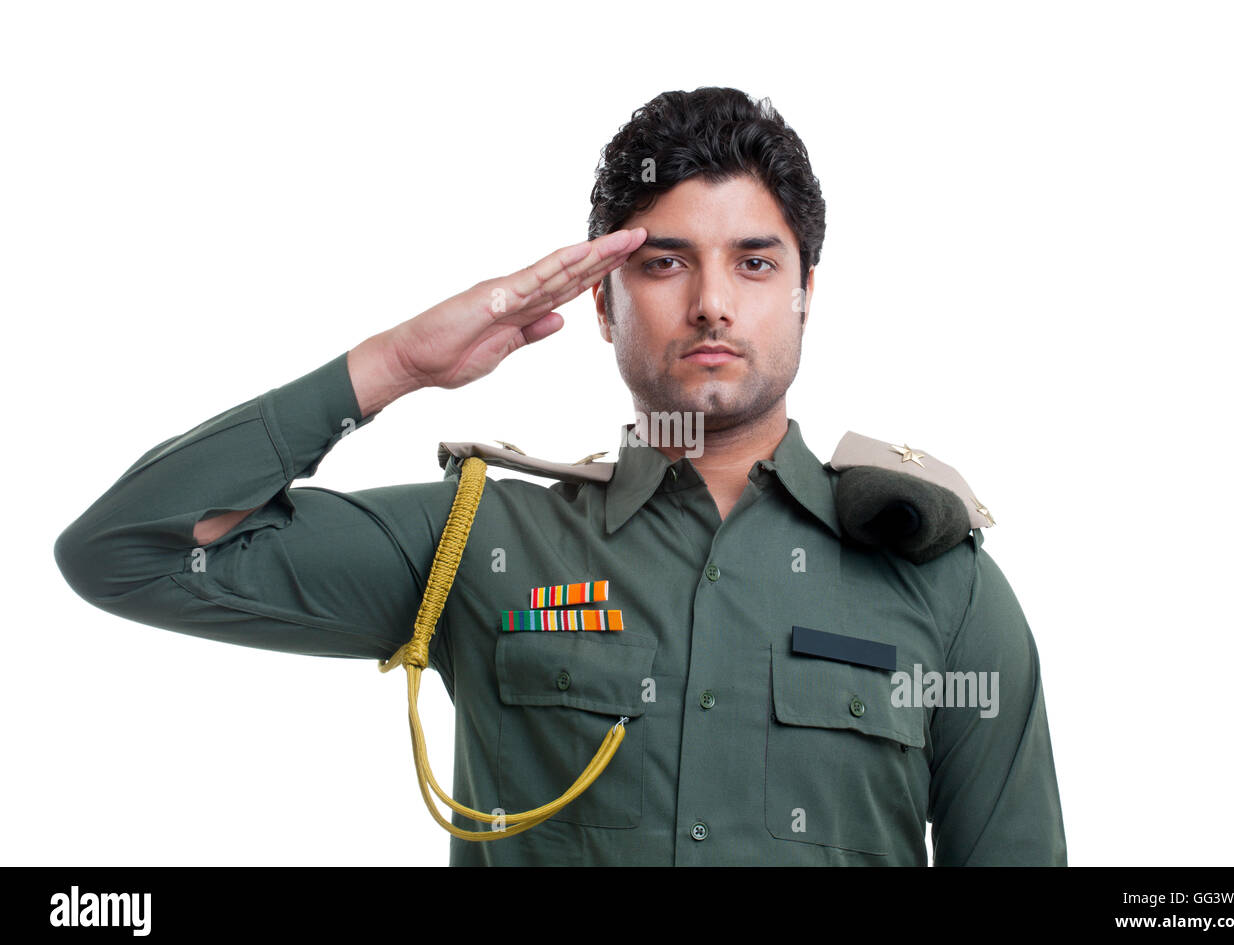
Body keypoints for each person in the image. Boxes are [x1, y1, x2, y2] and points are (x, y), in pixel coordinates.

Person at [54, 86, 1067, 866]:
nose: (712, 303)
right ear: (600, 301)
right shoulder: (473, 547)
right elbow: (128, 551)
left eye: (754, 264)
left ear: (806, 294)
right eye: (664, 263)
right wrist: (395, 365)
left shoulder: (943, 587)